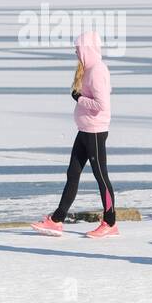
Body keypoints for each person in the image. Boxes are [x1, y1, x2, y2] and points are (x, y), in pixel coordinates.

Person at [32, 31, 118, 239]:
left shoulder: (97, 70)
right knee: (73, 173)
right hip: (85, 129)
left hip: (95, 131)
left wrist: (79, 98)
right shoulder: (89, 69)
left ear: (87, 49)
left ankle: (110, 222)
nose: (75, 52)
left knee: (101, 176)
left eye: (78, 48)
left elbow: (101, 105)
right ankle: (57, 220)